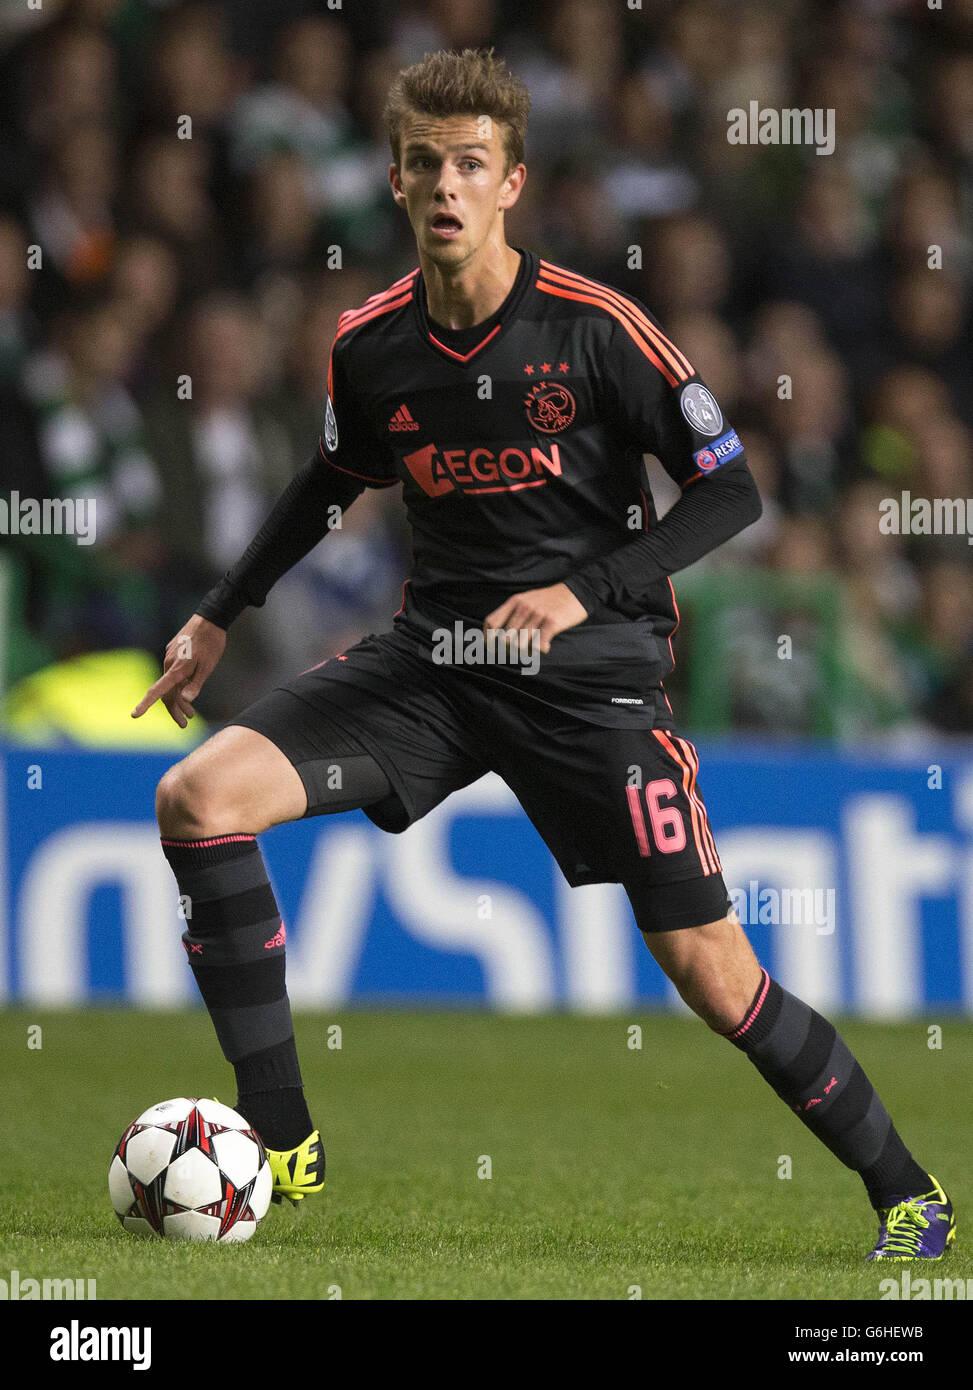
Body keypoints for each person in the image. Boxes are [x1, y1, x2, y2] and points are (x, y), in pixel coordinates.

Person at [134, 49, 953, 1260]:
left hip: (592, 678)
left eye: (471, 165)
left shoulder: (597, 329)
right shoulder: (370, 346)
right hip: (434, 666)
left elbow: (732, 494)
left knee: (711, 971)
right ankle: (281, 1137)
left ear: (512, 182)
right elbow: (330, 482)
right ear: (399, 183)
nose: (446, 188)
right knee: (196, 798)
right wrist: (219, 612)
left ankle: (910, 1195)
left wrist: (588, 589)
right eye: (424, 166)